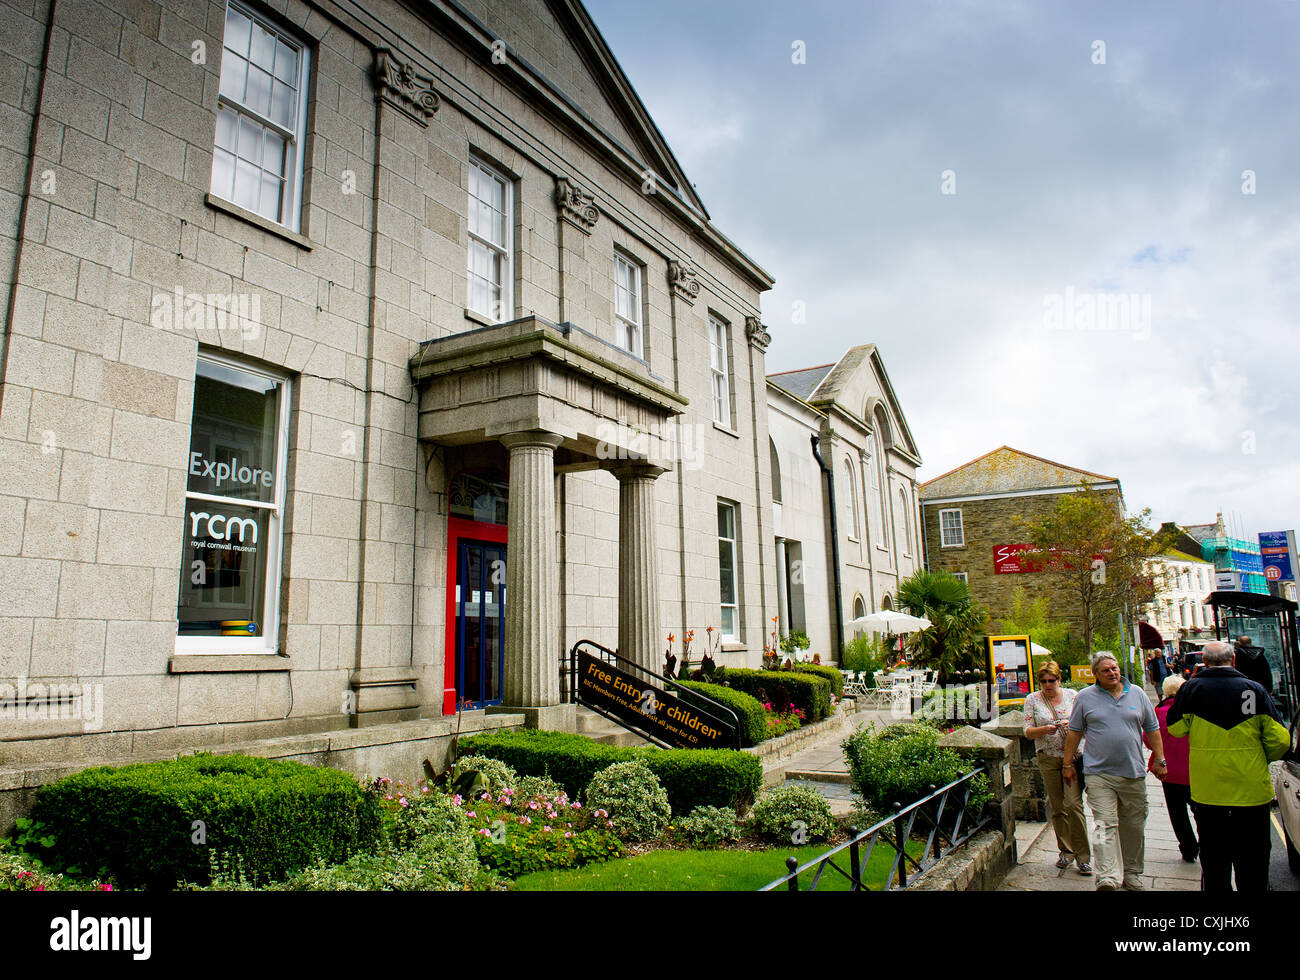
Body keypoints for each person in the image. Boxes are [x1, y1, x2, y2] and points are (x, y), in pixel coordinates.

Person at [1167, 640, 1290, 891]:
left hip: (1209, 791)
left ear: (1205, 662)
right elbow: (1280, 739)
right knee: (1254, 861)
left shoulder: (1190, 690)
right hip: (1251, 791)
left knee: (1215, 861)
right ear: (1233, 660)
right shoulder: (1254, 689)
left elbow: (1176, 729)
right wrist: (1260, 758)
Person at [1063, 653, 1166, 892]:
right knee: (1103, 825)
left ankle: (1131, 873)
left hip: (1133, 772)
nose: (1112, 672)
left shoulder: (1138, 694)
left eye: (1115, 668)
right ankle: (1106, 875)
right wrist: (1067, 765)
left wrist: (1159, 759)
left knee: (1134, 826)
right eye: (1106, 670)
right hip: (1099, 774)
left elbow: (1152, 729)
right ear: (1096, 675)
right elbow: (1074, 732)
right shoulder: (1085, 698)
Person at [1022, 661, 1091, 874]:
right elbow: (1027, 731)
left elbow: (1086, 722)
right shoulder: (1032, 699)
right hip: (1049, 758)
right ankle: (1066, 851)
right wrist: (1045, 729)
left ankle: (1083, 856)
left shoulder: (1073, 695)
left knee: (1074, 804)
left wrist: (1072, 726)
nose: (1047, 684)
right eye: (1043, 681)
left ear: (1059, 680)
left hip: (1072, 757)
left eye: (1051, 680)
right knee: (1058, 806)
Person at [1151, 674, 1197, 862]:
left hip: (1168, 772)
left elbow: (1148, 739)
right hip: (1195, 770)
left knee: (1178, 814)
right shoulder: (1193, 710)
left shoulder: (1159, 712)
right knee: (1199, 810)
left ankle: (1188, 848)